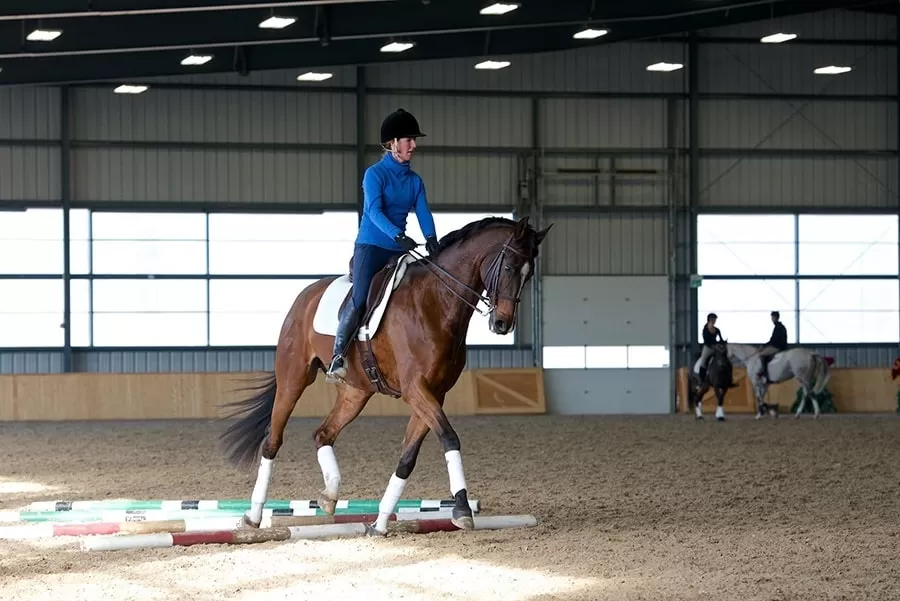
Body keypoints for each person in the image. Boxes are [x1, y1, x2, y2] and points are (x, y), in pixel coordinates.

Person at [325, 108, 440, 383]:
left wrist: (433, 239)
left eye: (414, 140)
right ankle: (338, 356)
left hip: (399, 248)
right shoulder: (374, 175)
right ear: (392, 144)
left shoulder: (414, 181)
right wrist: (397, 235)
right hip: (372, 246)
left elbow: (423, 213)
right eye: (408, 140)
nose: (413, 145)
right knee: (361, 297)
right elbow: (374, 211)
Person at [756, 310, 788, 381]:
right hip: (780, 346)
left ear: (776, 317)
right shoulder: (780, 326)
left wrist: (764, 346)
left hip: (777, 347)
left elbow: (773, 340)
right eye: (772, 317)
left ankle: (764, 372)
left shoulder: (778, 327)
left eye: (773, 317)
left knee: (761, 355)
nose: (772, 319)